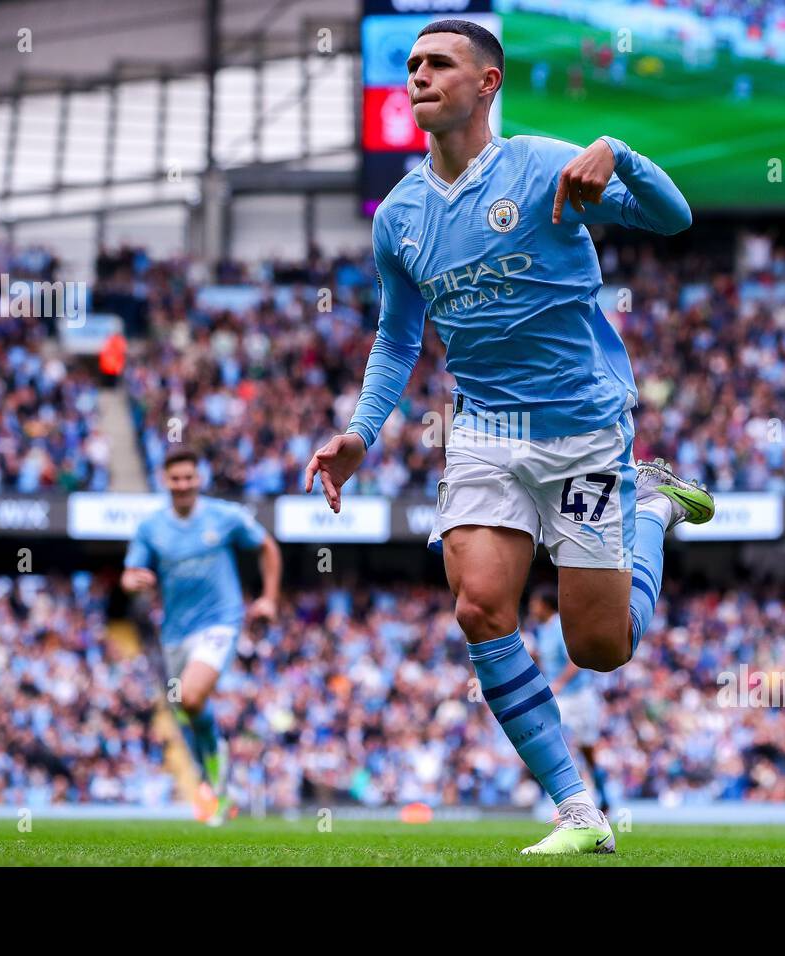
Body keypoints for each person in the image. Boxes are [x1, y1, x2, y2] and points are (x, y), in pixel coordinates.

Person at [304, 20, 713, 854]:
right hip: (485, 431)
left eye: (437, 63)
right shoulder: (401, 216)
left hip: (586, 433)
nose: (417, 75)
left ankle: (653, 507)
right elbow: (396, 338)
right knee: (480, 607)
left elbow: (675, 219)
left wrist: (619, 153)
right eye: (410, 65)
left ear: (487, 83)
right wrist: (359, 434)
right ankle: (576, 810)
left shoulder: (542, 166)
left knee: (598, 647)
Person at [123, 444, 282, 825]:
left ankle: (217, 779)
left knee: (191, 695)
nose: (182, 484)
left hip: (221, 622)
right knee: (189, 710)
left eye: (188, 477)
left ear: (199, 478)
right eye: (175, 478)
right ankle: (220, 779)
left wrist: (269, 599)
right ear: (165, 481)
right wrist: (132, 581)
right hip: (175, 634)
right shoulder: (151, 528)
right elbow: (130, 573)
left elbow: (266, 546)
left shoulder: (224, 517)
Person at [527, 587, 609, 814]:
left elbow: (577, 660)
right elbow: (547, 662)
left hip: (579, 695)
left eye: (535, 603)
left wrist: (559, 682)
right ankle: (566, 802)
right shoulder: (541, 631)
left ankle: (604, 798)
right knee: (554, 742)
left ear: (545, 605)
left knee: (587, 749)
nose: (532, 607)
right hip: (560, 696)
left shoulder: (561, 627)